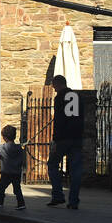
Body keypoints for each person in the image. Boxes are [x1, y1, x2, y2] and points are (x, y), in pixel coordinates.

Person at [47, 75, 83, 209]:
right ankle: (73, 201)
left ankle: (58, 195)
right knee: (76, 170)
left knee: (52, 165)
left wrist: (55, 140)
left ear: (57, 84)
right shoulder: (77, 97)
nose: (54, 89)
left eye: (54, 86)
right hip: (77, 137)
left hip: (63, 138)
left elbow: (59, 121)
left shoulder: (60, 98)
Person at [0, 124, 27, 209]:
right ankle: (21, 204)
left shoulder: (3, 148)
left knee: (1, 188)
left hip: (6, 173)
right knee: (17, 189)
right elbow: (22, 160)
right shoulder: (19, 148)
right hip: (17, 173)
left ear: (4, 137)